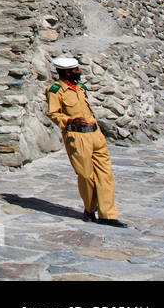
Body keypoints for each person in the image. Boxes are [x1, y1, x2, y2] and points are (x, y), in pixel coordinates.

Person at [46, 56, 126, 227]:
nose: (79, 72)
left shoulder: (81, 88)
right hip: (77, 137)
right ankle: (90, 209)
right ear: (67, 72)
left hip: (95, 134)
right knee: (86, 176)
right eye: (76, 70)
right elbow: (53, 113)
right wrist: (69, 120)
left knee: (106, 175)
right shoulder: (55, 91)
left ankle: (108, 215)